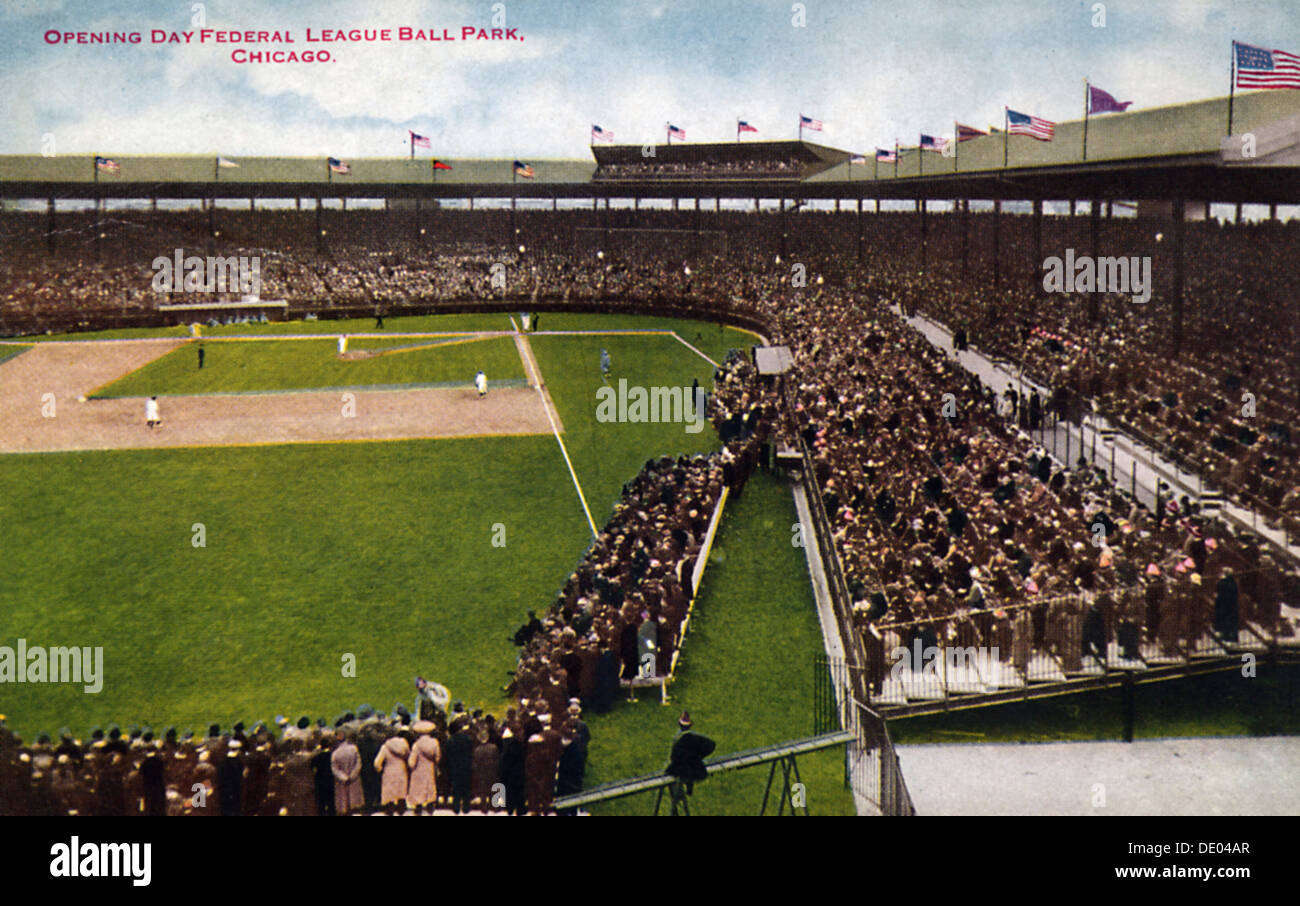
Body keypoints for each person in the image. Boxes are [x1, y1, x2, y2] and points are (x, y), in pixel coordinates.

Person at [665, 711, 714, 805]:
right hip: (696, 768)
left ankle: (678, 796)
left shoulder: (678, 739)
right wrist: (700, 756)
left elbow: (674, 757)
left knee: (671, 773)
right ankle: (688, 788)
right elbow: (711, 744)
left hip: (683, 769)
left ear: (679, 725)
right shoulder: (696, 738)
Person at [330, 731, 364, 815]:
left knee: (344, 805)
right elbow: (358, 763)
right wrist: (353, 775)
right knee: (355, 804)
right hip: (354, 779)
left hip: (343, 781)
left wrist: (344, 777)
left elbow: (334, 769)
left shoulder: (335, 754)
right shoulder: (354, 748)